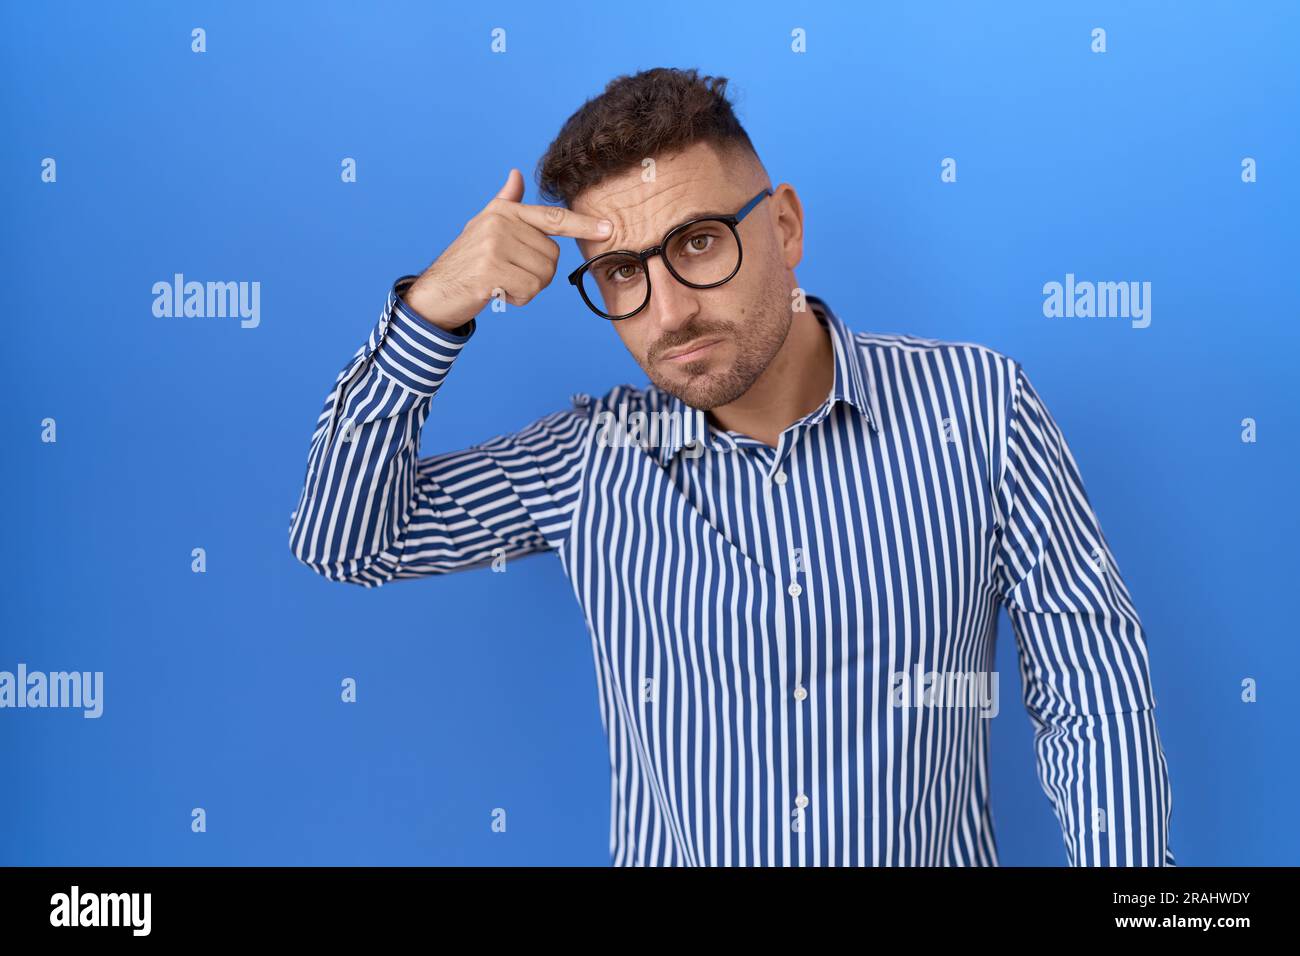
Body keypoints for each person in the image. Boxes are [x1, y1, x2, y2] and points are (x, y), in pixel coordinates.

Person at [288, 67, 1175, 867]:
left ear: (783, 227)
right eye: (623, 272)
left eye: (700, 242)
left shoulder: (980, 410)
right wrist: (433, 311)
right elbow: (345, 539)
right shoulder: (588, 463)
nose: (668, 312)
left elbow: (1092, 690)